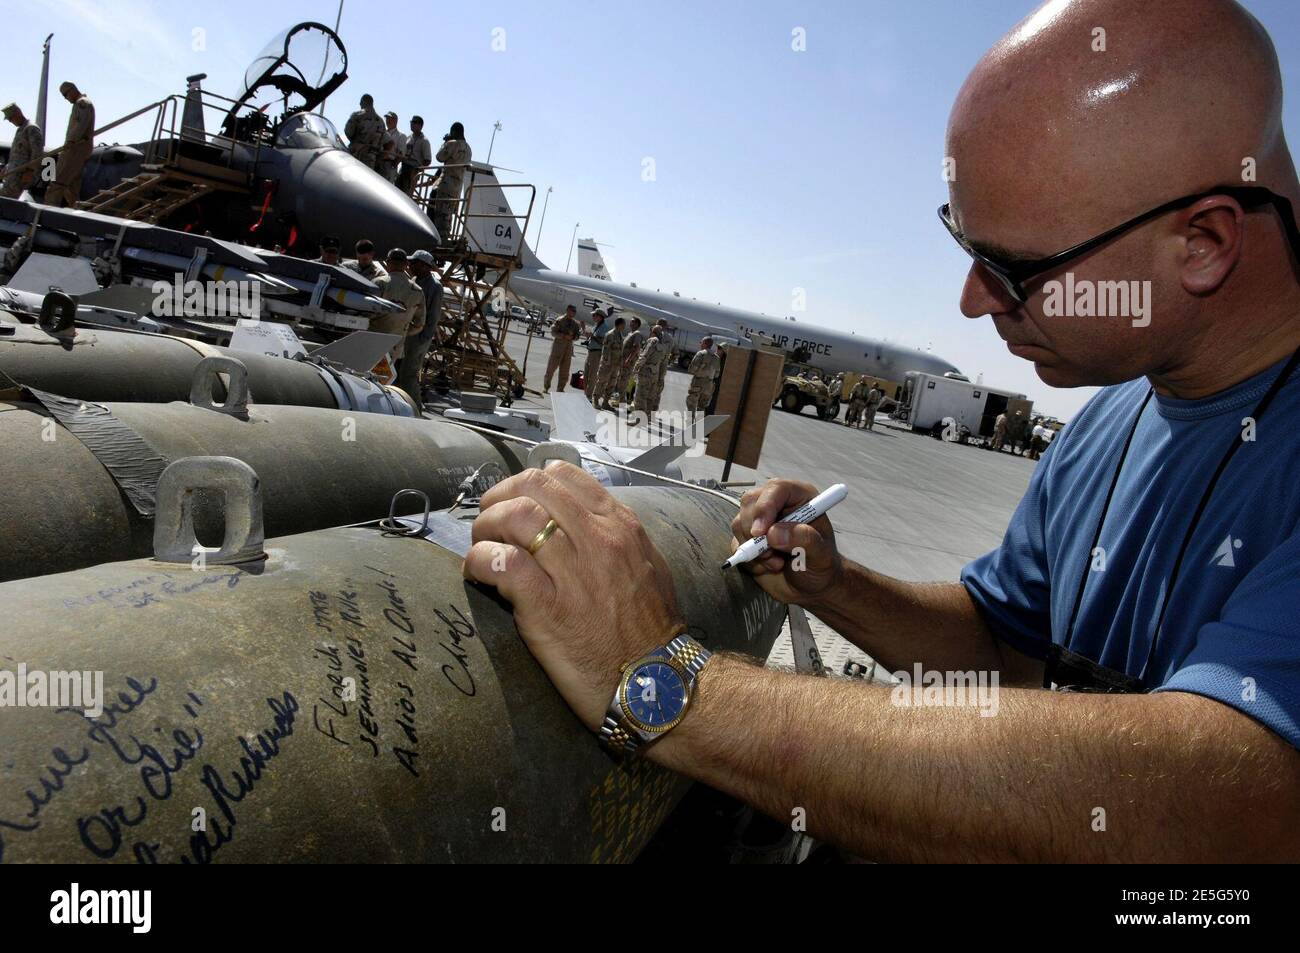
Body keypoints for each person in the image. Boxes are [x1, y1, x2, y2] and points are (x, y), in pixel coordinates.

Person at [462, 0, 1300, 862]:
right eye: (963, 247)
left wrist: (671, 685)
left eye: (1013, 268)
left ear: (1203, 242)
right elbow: (1002, 649)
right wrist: (835, 584)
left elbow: (1219, 799)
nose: (971, 301)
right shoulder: (1107, 423)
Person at [396, 249, 444, 412]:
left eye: (414, 263)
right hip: (405, 335)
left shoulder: (435, 287)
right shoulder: (414, 280)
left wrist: (422, 340)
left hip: (418, 339)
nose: (410, 265)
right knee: (396, 372)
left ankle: (416, 409)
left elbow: (433, 316)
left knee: (408, 375)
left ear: (424, 266)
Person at [45, 82, 93, 208]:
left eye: (65, 95)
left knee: (56, 184)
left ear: (72, 90)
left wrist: (70, 142)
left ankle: (47, 213)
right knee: (71, 188)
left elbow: (80, 126)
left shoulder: (82, 103)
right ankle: (77, 214)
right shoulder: (82, 104)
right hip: (79, 151)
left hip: (74, 150)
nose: (66, 98)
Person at [372, 249, 425, 362]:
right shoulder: (417, 291)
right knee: (386, 378)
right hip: (396, 347)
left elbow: (365, 314)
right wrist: (401, 332)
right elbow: (419, 325)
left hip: (372, 342)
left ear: (387, 263)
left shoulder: (379, 283)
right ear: (406, 265)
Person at [432, 122, 471, 238]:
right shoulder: (468, 149)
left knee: (439, 211)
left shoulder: (452, 144)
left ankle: (438, 235)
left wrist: (446, 142)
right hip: (457, 186)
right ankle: (445, 234)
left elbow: (439, 157)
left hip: (446, 183)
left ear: (454, 132)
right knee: (448, 213)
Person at [1, 103, 43, 199]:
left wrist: (30, 171)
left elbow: (37, 153)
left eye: (11, 118)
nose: (11, 121)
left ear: (18, 113)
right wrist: (6, 168)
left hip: (21, 175)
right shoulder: (21, 130)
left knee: (7, 201)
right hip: (13, 175)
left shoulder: (31, 129)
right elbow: (17, 155)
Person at [543, 304, 581, 394]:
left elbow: (578, 336)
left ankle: (560, 389)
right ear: (568, 310)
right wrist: (563, 336)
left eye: (575, 311)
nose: (573, 313)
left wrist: (572, 337)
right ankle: (546, 387)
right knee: (551, 368)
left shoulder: (575, 324)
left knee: (565, 371)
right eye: (572, 311)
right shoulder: (560, 320)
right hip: (558, 348)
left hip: (568, 350)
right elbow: (553, 332)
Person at [632, 326, 669, 416]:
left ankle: (638, 419)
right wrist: (660, 377)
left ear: (653, 332)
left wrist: (635, 368)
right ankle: (647, 417)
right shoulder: (664, 345)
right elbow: (664, 363)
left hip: (645, 373)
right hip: (654, 374)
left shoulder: (652, 341)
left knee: (640, 396)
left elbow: (644, 356)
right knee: (649, 397)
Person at [344, 94, 385, 171]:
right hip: (370, 160)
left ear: (363, 102)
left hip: (355, 156)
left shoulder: (357, 115)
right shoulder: (381, 122)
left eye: (360, 102)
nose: (359, 104)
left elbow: (348, 132)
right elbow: (381, 142)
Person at [593, 316, 626, 410]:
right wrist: (607, 362)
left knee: (612, 384)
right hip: (608, 364)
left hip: (615, 365)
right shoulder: (610, 334)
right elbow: (606, 349)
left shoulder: (620, 335)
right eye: (623, 325)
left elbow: (620, 350)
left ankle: (605, 402)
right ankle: (595, 400)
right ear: (619, 324)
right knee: (602, 382)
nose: (624, 326)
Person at [397, 115, 433, 197]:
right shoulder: (408, 137)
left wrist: (417, 171)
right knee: (396, 191)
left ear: (420, 126)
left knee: (406, 196)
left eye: (414, 122)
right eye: (411, 122)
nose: (412, 124)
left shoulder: (424, 141)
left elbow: (428, 160)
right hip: (403, 167)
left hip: (413, 170)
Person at [614, 317, 643, 407]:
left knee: (624, 381)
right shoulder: (630, 333)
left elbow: (636, 348)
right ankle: (620, 399)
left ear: (637, 324)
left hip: (628, 362)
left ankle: (621, 402)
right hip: (624, 361)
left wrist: (629, 359)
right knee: (621, 379)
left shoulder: (637, 334)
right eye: (630, 322)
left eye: (633, 322)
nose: (631, 323)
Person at [686, 336, 720, 414]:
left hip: (698, 383)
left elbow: (692, 369)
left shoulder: (701, 354)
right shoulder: (717, 358)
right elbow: (717, 374)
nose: (700, 344)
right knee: (701, 407)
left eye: (701, 342)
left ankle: (689, 423)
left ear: (705, 344)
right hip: (709, 386)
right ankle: (698, 425)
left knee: (691, 403)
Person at [583, 310, 609, 392]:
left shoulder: (604, 327)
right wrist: (585, 330)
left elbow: (603, 342)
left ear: (600, 317)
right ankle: (585, 393)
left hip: (596, 353)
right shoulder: (596, 325)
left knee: (592, 375)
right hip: (590, 352)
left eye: (594, 315)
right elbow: (591, 338)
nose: (593, 316)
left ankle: (589, 395)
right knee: (586, 374)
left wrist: (592, 336)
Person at [379, 111, 406, 183]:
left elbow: (401, 154)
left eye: (390, 118)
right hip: (378, 162)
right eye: (387, 119)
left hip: (389, 164)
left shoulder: (401, 136)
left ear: (395, 120)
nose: (387, 121)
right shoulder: (382, 133)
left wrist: (393, 166)